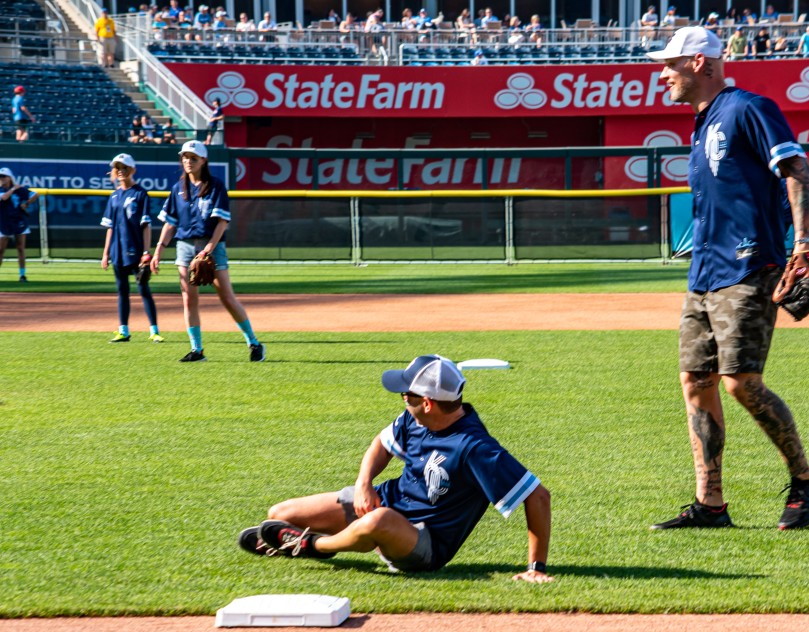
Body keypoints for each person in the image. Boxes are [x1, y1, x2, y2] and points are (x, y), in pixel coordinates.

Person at [646, 27, 809, 530]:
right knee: (695, 380)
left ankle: (807, 480)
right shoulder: (702, 122)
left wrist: (803, 242)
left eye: (672, 63)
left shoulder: (748, 108)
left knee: (740, 382)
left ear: (701, 63)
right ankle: (710, 504)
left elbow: (796, 168)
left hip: (750, 265)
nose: (663, 73)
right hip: (705, 272)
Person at [238, 354, 554, 582]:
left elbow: (537, 496)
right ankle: (334, 537)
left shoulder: (475, 447)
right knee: (279, 514)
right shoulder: (415, 419)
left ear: (428, 402)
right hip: (383, 504)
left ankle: (313, 545)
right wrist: (364, 483)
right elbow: (381, 443)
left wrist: (535, 568)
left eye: (407, 394)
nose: (402, 397)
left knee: (379, 521)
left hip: (423, 544)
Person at [151, 140, 265, 363]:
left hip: (211, 246)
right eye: (185, 157)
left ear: (203, 160)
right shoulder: (178, 189)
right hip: (184, 246)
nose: (188, 161)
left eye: (193, 158)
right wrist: (157, 251)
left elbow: (222, 222)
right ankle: (197, 350)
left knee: (226, 297)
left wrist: (208, 249)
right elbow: (170, 224)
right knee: (188, 299)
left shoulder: (215, 186)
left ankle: (254, 343)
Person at [101, 153, 162, 344]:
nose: (120, 171)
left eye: (124, 167)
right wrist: (105, 253)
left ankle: (153, 331)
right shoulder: (114, 196)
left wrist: (146, 252)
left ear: (133, 170)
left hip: (136, 250)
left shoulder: (140, 194)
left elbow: (146, 225)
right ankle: (123, 331)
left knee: (143, 289)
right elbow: (110, 227)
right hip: (117, 250)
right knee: (122, 291)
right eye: (117, 168)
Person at [0, 167, 37, 282]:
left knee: (20, 248)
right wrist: (14, 189)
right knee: (0, 250)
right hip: (4, 222)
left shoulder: (20, 190)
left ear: (9, 177)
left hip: (19, 221)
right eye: (0, 177)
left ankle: (22, 275)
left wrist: (26, 203)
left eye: (3, 176)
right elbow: (4, 197)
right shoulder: (2, 189)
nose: (1, 178)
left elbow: (35, 194)